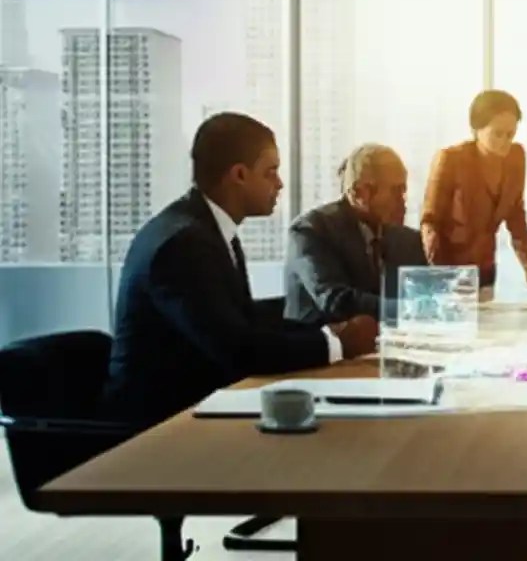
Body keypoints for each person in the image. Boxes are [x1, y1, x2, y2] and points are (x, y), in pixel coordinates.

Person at [101, 113, 378, 430]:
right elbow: (238, 350)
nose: (280, 183)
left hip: (198, 410)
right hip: (154, 429)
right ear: (239, 175)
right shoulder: (183, 243)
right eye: (271, 172)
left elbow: (240, 319)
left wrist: (329, 329)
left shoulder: (208, 228)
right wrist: (337, 345)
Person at [285, 143, 427, 326]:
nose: (403, 202)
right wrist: (409, 311)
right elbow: (335, 300)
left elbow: (426, 291)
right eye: (395, 191)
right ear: (359, 193)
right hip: (326, 350)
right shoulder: (311, 231)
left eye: (404, 191)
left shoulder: (407, 239)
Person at [421, 90, 527, 289]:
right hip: (449, 268)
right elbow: (430, 221)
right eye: (497, 133)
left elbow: (516, 217)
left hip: (486, 267)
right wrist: (441, 276)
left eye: (510, 134)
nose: (505, 142)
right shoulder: (450, 159)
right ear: (476, 129)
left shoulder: (516, 157)